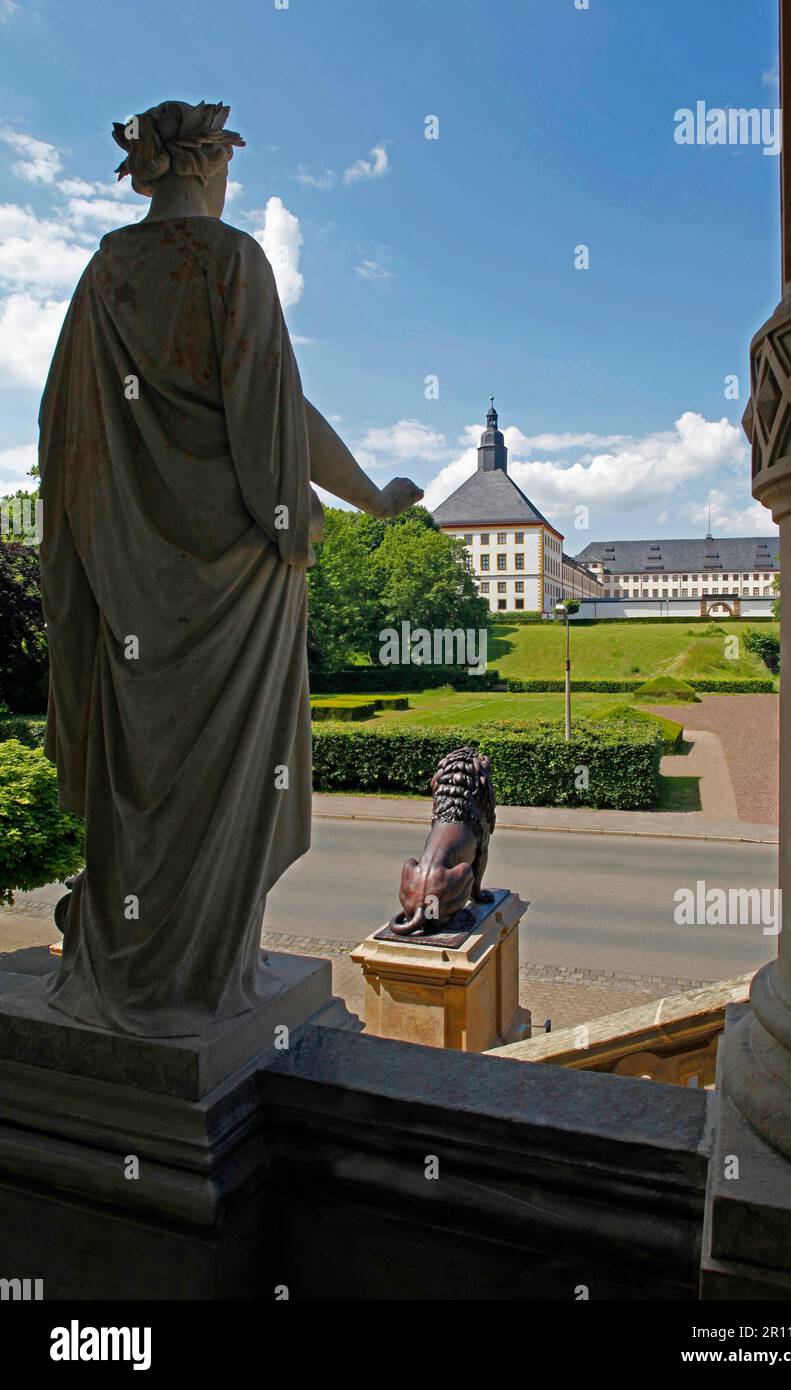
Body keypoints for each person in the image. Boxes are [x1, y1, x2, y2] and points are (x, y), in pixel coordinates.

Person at [39, 100, 422, 1036]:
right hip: (238, 577)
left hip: (129, 576)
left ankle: (131, 967)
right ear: (209, 164)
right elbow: (274, 416)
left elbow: (68, 437)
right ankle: (202, 974)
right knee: (223, 780)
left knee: (144, 764)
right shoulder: (230, 258)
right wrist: (368, 499)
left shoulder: (101, 277)